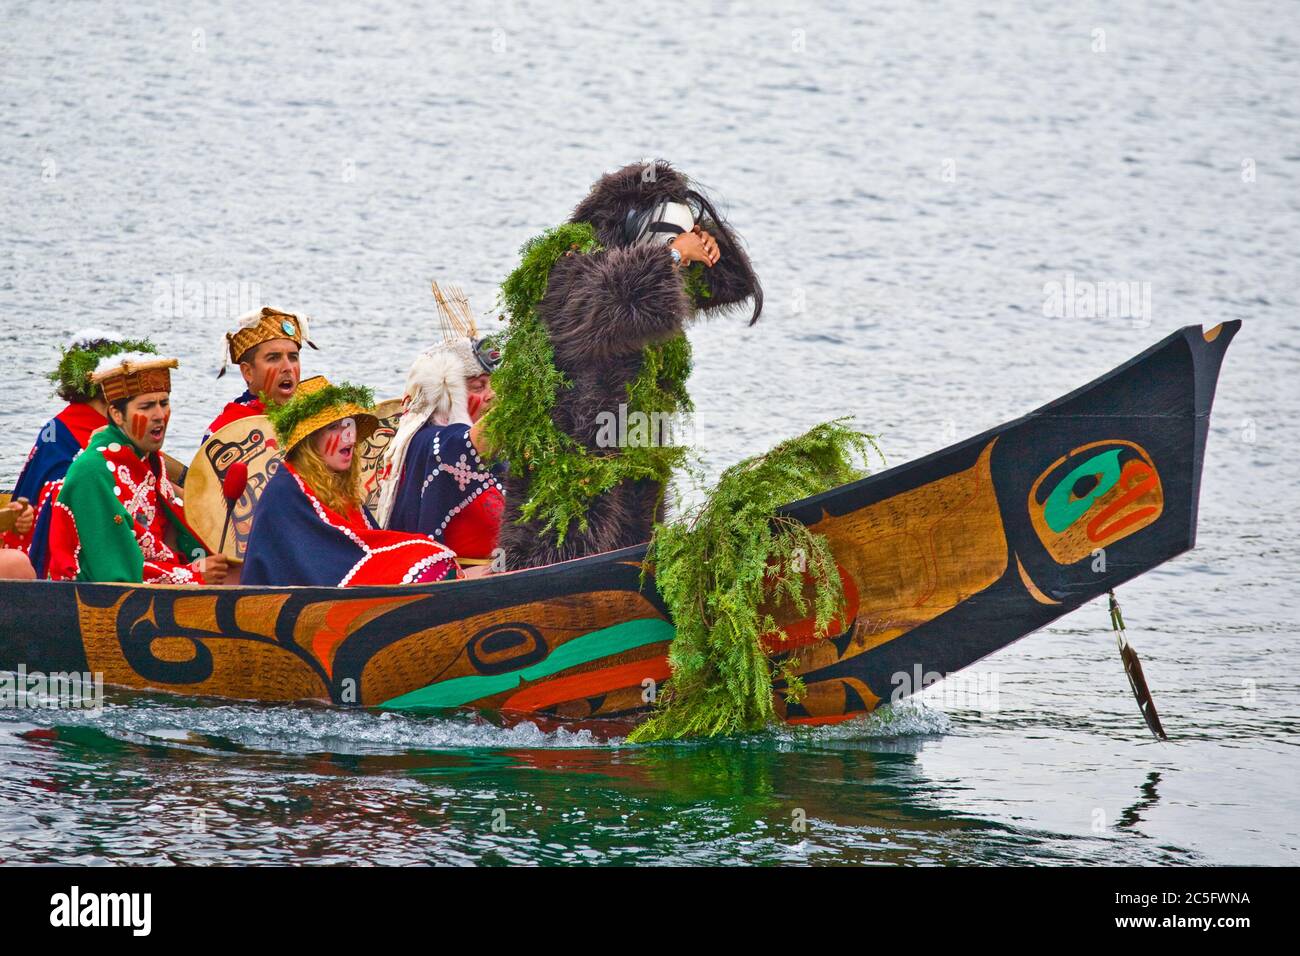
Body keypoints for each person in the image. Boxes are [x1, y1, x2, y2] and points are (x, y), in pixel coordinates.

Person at [490, 159, 762, 571]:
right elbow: (622, 304)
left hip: (633, 451)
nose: (681, 264)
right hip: (574, 462)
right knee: (563, 555)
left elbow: (730, 286)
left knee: (632, 559)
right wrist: (670, 254)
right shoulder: (572, 267)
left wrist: (707, 241)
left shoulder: (656, 274)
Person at [241, 377, 459, 587]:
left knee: (430, 555)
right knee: (426, 557)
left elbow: (368, 540)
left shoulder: (335, 483)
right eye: (333, 427)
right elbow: (323, 560)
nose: (348, 437)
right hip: (298, 596)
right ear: (309, 440)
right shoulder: (285, 490)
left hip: (335, 579)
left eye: (348, 426)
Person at [46, 354, 228, 585]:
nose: (160, 415)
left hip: (159, 577)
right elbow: (114, 571)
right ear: (116, 414)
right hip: (96, 597)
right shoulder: (92, 472)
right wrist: (192, 574)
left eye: (164, 403)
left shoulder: (151, 460)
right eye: (147, 406)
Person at [1, 330, 158, 576]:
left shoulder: (119, 431)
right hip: (73, 546)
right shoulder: (65, 431)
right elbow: (63, 493)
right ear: (108, 389)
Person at [375, 308, 505, 565]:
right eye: (479, 387)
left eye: (494, 385)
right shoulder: (432, 443)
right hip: (463, 579)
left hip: (506, 568)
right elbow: (468, 442)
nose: (491, 395)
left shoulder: (498, 448)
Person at [204, 306, 316, 440]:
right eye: (273, 358)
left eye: (293, 357)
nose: (287, 367)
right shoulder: (227, 430)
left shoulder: (317, 418)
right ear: (248, 372)